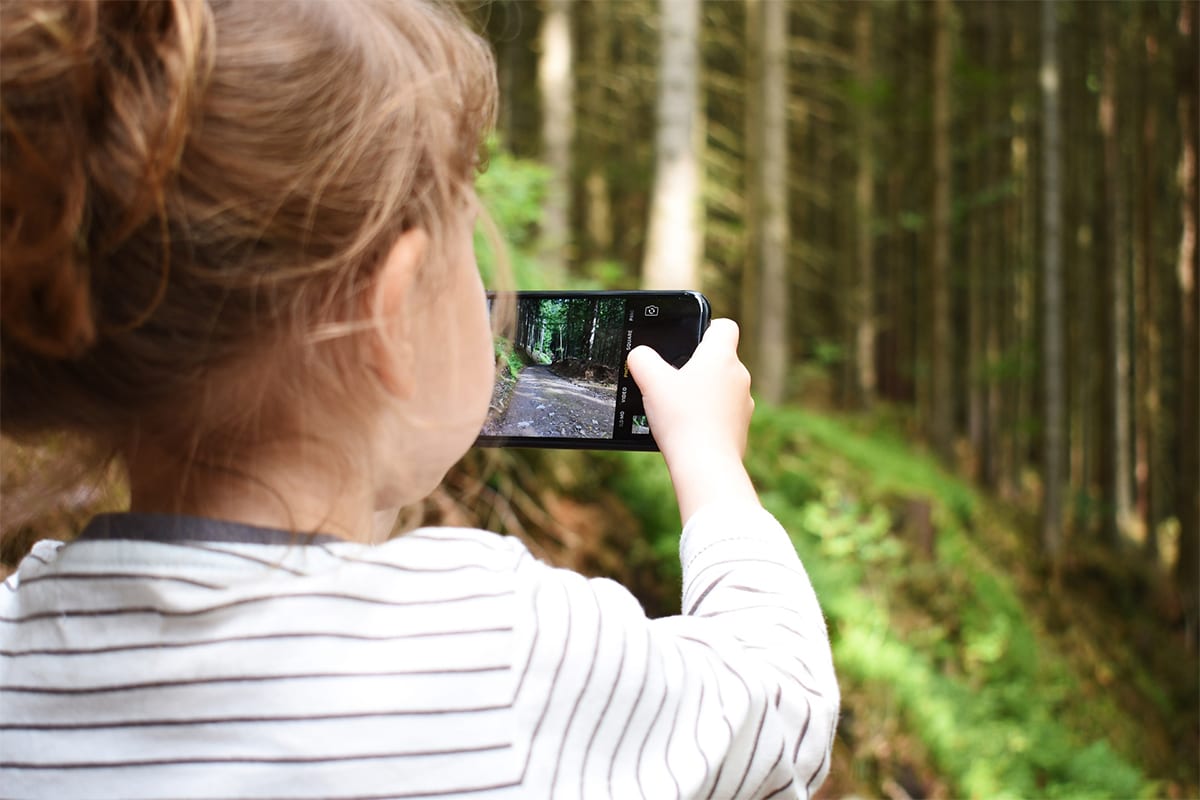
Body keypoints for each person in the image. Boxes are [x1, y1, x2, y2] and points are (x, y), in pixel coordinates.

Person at [0, 0, 839, 798]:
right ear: (391, 317)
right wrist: (711, 464)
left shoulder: (18, 646)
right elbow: (783, 704)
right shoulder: (503, 651)